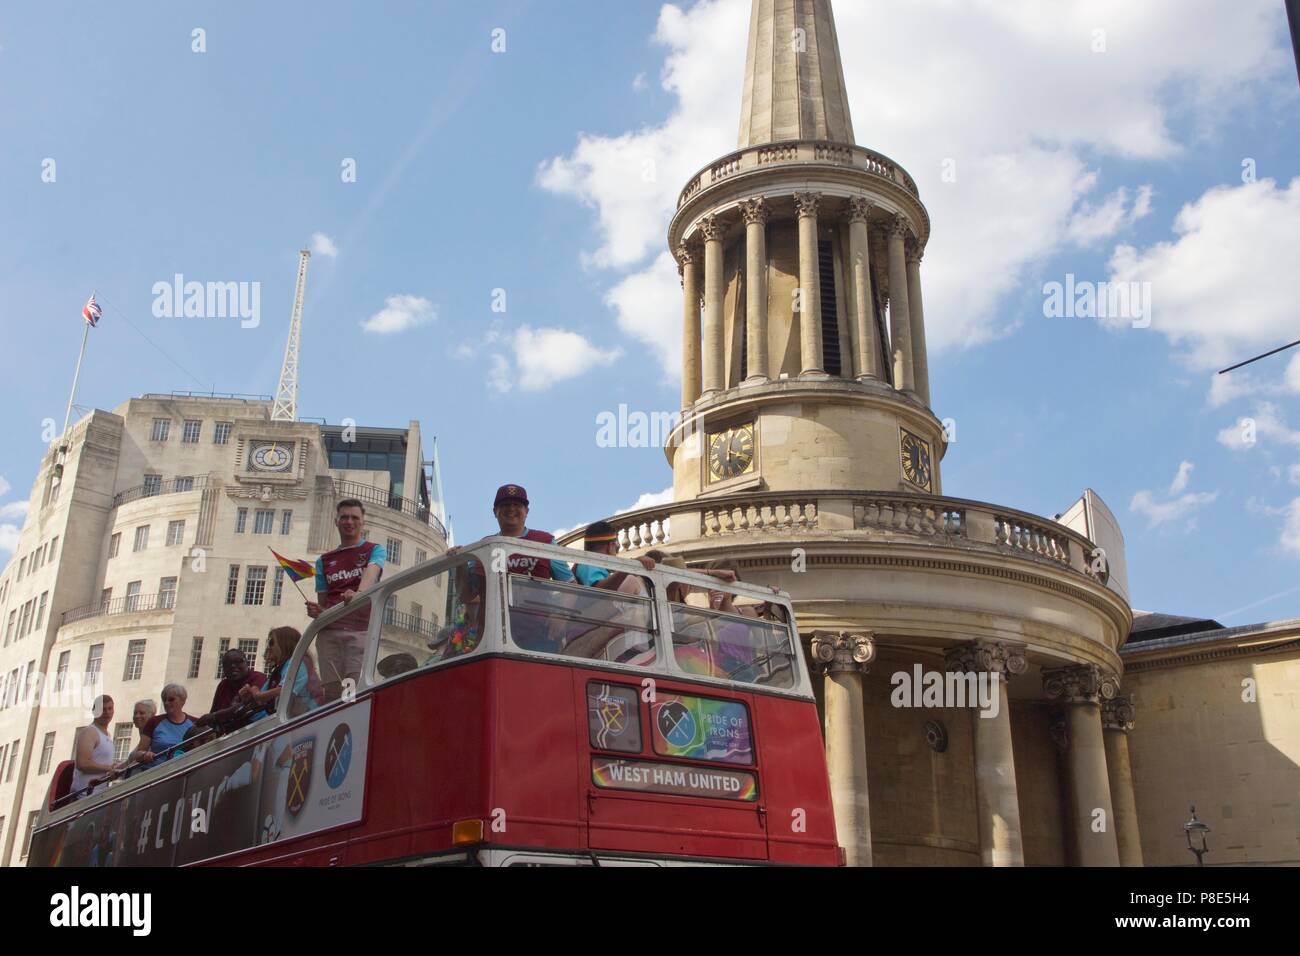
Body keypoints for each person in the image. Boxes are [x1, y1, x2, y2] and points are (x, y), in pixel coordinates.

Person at [306, 499, 386, 699]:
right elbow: (324, 602)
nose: (349, 522)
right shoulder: (323, 561)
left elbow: (372, 572)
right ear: (336, 521)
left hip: (359, 630)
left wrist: (358, 595)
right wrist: (318, 611)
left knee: (353, 688)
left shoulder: (374, 550)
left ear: (362, 522)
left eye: (354, 517)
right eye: (344, 517)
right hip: (329, 634)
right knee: (333, 693)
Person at [238, 626, 322, 719]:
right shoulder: (280, 670)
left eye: (271, 642)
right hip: (295, 719)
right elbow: (262, 700)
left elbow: (284, 691)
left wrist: (257, 694)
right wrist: (249, 696)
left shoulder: (298, 664)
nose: (268, 647)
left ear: (284, 643)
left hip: (312, 717)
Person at [572, 520, 656, 593]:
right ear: (610, 546)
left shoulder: (588, 564)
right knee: (631, 580)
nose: (616, 553)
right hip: (596, 609)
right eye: (616, 547)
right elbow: (599, 591)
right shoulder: (587, 564)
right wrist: (628, 567)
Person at [195, 648, 266, 731]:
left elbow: (243, 708)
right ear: (223, 668)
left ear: (247, 663)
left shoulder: (258, 678)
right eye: (228, 664)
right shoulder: (223, 685)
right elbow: (213, 714)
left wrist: (214, 716)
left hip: (252, 731)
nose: (233, 666)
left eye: (238, 662)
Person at [133, 684, 196, 769]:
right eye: (164, 700)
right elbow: (138, 754)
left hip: (184, 772)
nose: (166, 703)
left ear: (183, 701)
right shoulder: (154, 722)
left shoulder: (195, 723)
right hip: (156, 774)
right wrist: (145, 755)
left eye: (171, 700)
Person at [71, 695, 123, 798]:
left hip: (97, 796)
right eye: (103, 709)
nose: (107, 712)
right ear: (94, 711)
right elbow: (82, 764)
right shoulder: (90, 732)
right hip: (83, 797)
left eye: (110, 708)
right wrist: (108, 768)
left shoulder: (107, 735)